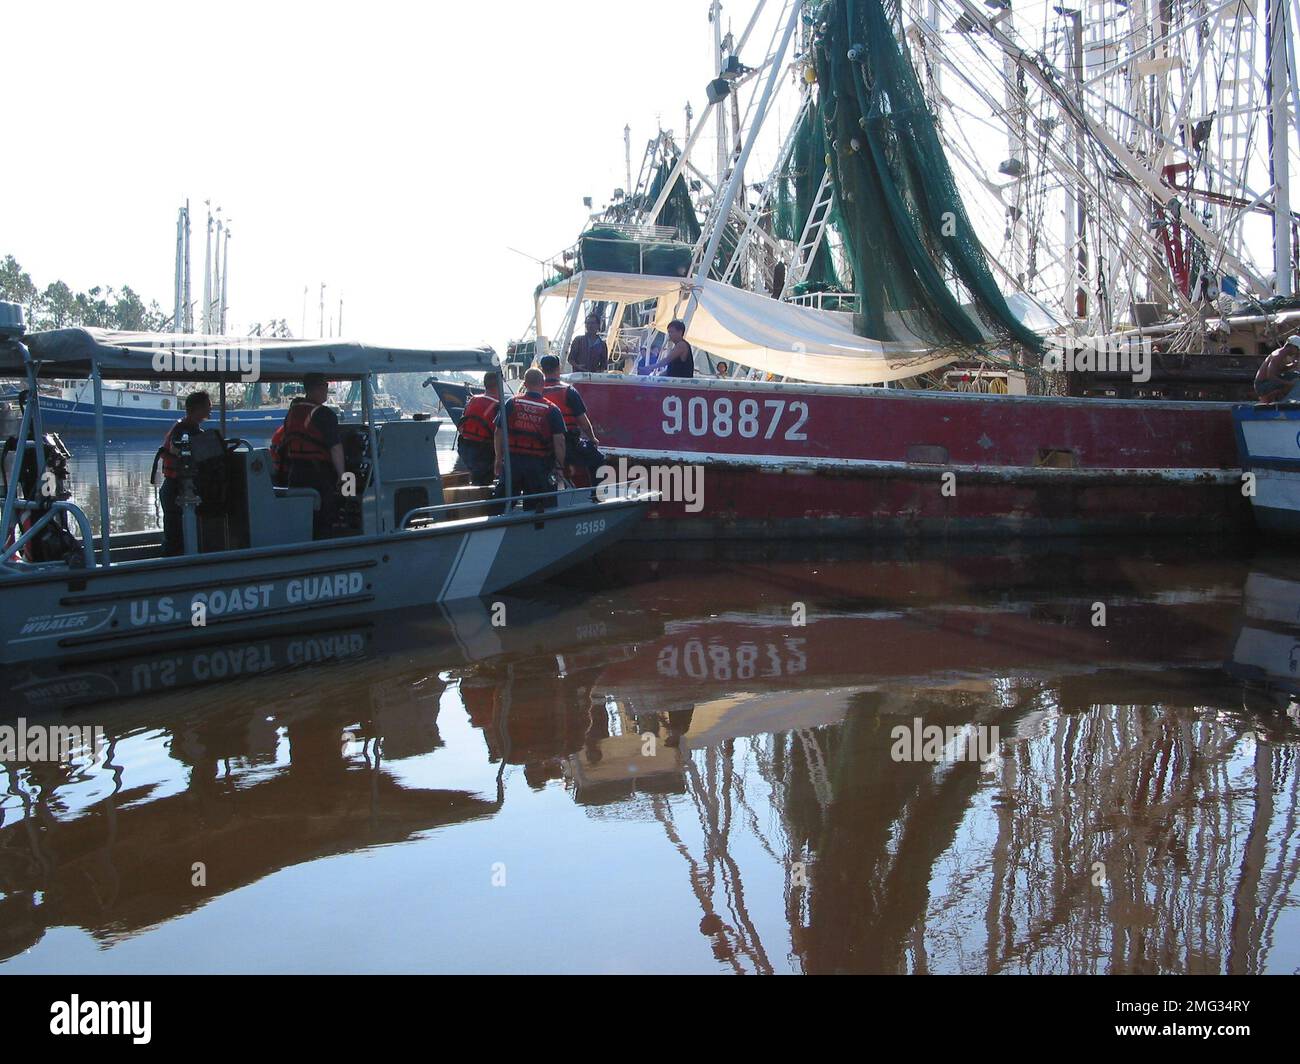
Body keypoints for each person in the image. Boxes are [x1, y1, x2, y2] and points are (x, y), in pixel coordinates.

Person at [277, 373, 345, 537]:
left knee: (301, 515)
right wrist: (343, 476)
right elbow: (336, 448)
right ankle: (341, 529)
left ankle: (303, 542)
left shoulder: (292, 412)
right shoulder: (324, 414)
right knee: (325, 514)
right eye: (326, 386)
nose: (327, 391)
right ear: (319, 388)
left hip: (295, 473)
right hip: (319, 475)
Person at [495, 367, 566, 509]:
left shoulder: (511, 403)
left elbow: (498, 432)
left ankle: (497, 526)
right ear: (543, 384)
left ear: (525, 384)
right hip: (539, 466)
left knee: (502, 505)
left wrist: (498, 458)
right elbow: (560, 442)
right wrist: (560, 468)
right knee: (542, 506)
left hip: (512, 462)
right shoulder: (552, 409)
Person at [156, 390, 214, 556]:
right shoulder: (182, 431)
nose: (211, 410)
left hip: (178, 487)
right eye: (208, 406)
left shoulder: (190, 429)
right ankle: (173, 568)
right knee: (175, 535)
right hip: (176, 488)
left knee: (180, 532)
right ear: (198, 408)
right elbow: (177, 450)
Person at [539, 354, 603, 485]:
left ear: (542, 370)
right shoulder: (569, 391)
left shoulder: (536, 391)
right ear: (558, 368)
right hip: (568, 443)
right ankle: (595, 494)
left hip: (542, 444)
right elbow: (583, 422)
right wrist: (593, 438)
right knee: (597, 459)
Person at [455, 372, 501, 486]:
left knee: (475, 476)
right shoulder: (498, 405)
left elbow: (462, 422)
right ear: (499, 385)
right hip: (483, 450)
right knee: (484, 481)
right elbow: (500, 433)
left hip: (464, 446)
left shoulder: (472, 400)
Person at [1255, 335, 1300, 403]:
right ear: (1292, 347)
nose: (1297, 352)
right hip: (1262, 386)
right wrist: (1288, 383)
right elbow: (1271, 376)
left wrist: (1292, 366)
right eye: (1298, 350)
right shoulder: (1278, 355)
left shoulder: (1282, 355)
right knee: (1294, 380)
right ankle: (1286, 401)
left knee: (1296, 376)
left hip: (1268, 383)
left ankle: (1287, 399)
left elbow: (1278, 371)